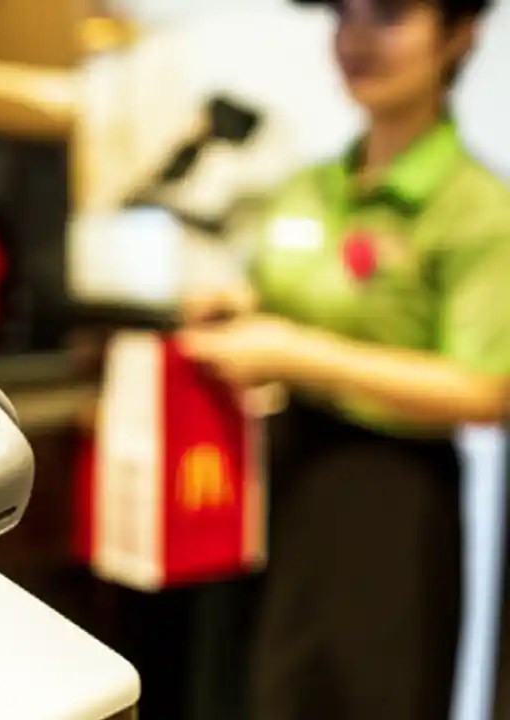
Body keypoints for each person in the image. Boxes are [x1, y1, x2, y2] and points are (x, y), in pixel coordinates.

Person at [179, 0, 510, 718]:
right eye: (345, 15)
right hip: (281, 480)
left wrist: (300, 353)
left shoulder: (475, 207)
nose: (358, 39)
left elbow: (488, 389)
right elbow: (281, 299)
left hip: (392, 501)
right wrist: (237, 309)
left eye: (388, 15)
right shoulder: (310, 186)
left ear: (458, 36)